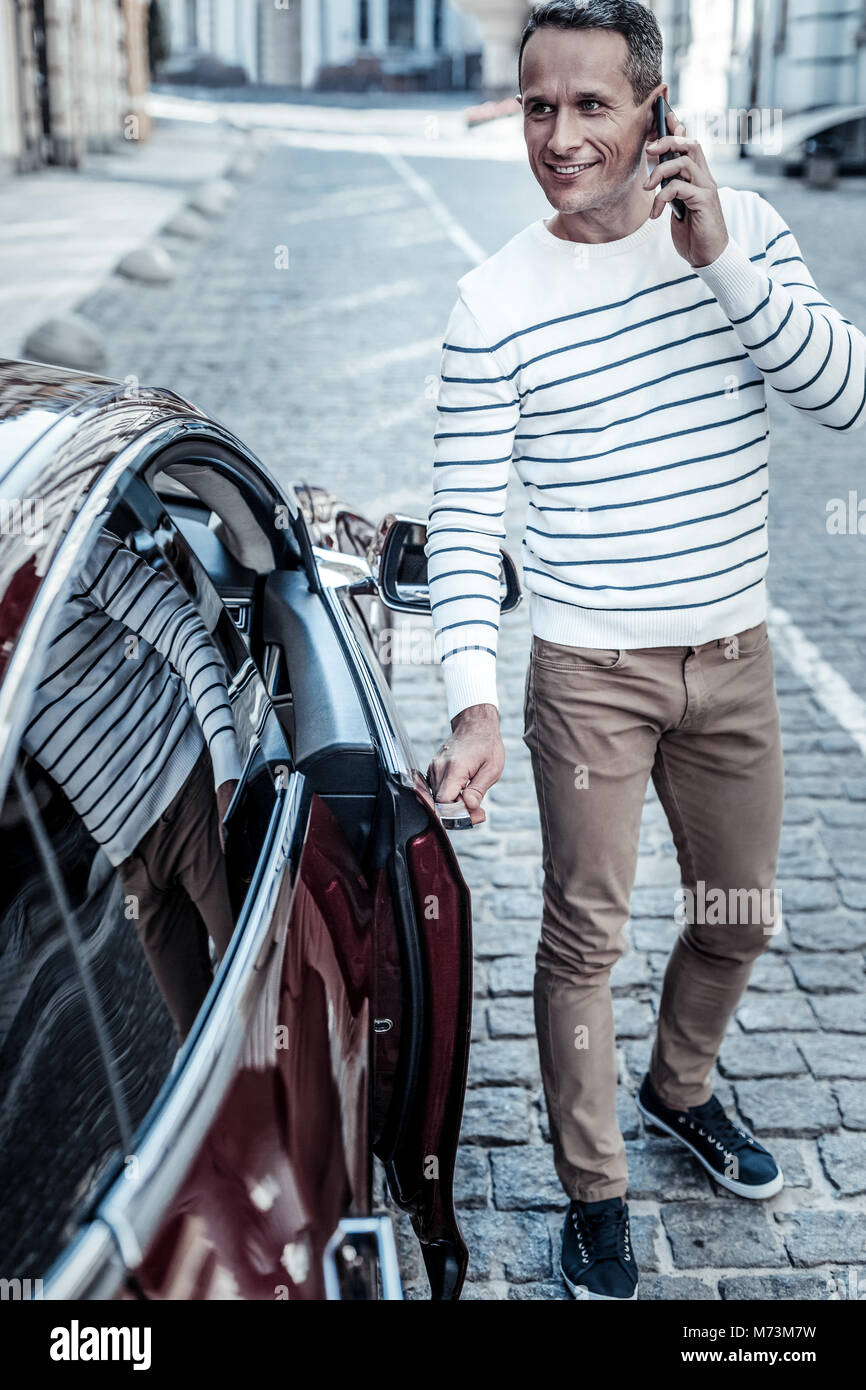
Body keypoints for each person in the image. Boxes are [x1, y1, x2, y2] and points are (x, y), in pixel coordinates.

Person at [425, 0, 866, 1301]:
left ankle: (680, 1086)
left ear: (654, 111)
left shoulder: (742, 237)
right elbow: (460, 522)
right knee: (583, 938)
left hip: (729, 663)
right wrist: (470, 701)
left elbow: (841, 398)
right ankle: (596, 1188)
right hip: (587, 676)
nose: (557, 137)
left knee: (737, 916)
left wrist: (721, 252)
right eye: (536, 107)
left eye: (588, 105)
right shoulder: (489, 301)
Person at [23, 527, 242, 1041]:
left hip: (195, 798)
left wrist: (227, 770)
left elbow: (185, 629)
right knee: (198, 1045)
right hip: (130, 861)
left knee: (265, 1002)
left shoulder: (66, 549)